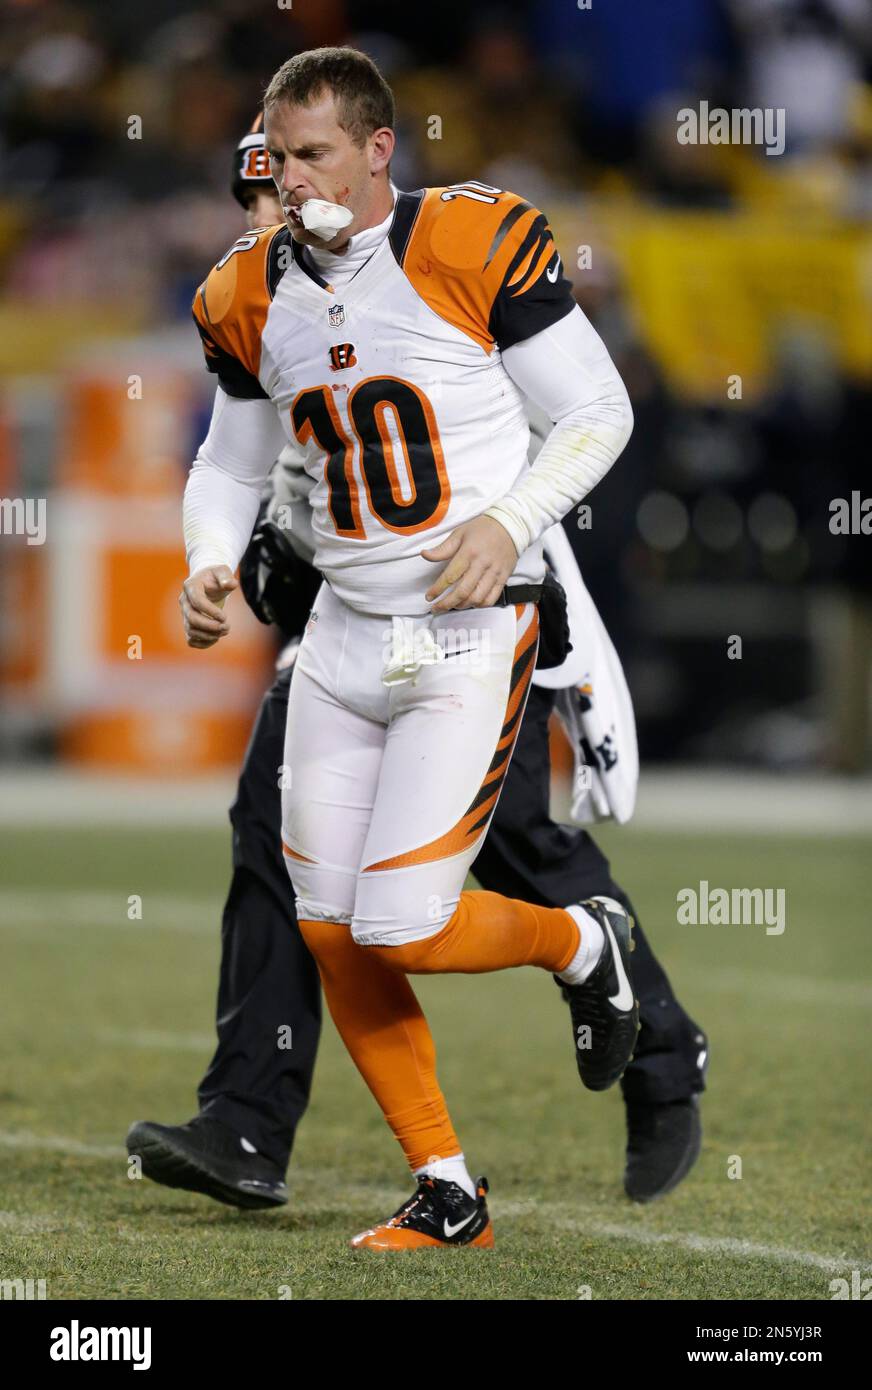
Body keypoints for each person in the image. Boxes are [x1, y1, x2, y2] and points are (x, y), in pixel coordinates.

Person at [171, 47, 697, 1249]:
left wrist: (509, 520)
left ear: (374, 151)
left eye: (311, 155)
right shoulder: (244, 291)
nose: (289, 179)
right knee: (321, 919)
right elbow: (230, 462)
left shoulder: (469, 240)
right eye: (274, 155)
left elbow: (595, 411)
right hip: (341, 636)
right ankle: (446, 1187)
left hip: (465, 625)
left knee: (401, 920)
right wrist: (206, 558)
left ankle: (580, 943)